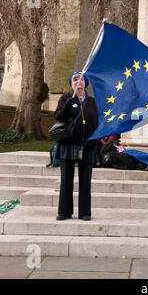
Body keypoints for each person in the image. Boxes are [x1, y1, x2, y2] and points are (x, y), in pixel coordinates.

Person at [54, 71, 98, 221]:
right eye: (75, 80)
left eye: (81, 80)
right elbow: (58, 116)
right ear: (71, 84)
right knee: (66, 180)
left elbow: (97, 122)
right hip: (68, 144)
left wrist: (95, 140)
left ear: (85, 83)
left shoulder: (92, 102)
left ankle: (85, 212)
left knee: (85, 181)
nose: (78, 82)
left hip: (87, 145)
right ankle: (64, 211)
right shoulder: (65, 98)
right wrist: (69, 102)